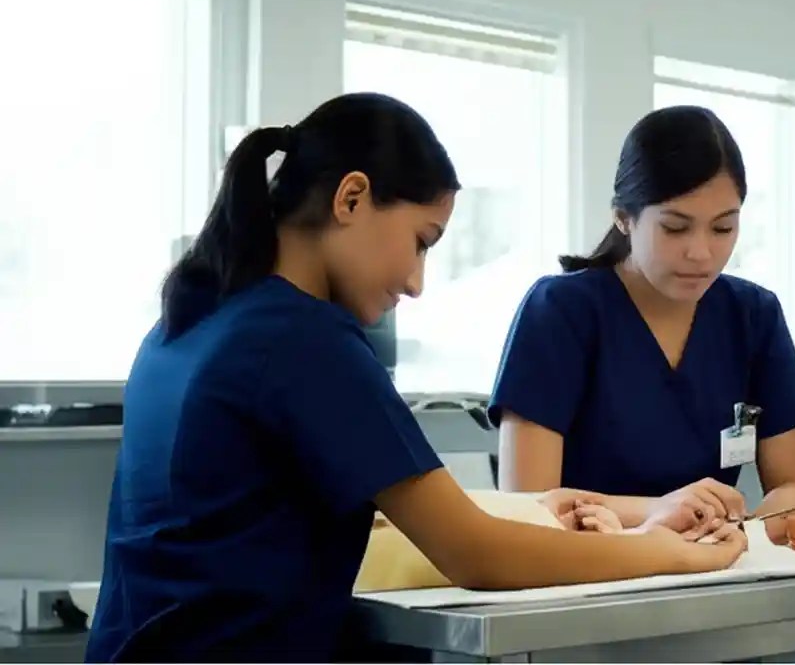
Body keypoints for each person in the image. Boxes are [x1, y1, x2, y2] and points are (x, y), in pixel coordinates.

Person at [84, 93, 746, 663]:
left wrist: (543, 514)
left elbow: (308, 517)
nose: (416, 281)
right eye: (422, 241)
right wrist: (669, 554)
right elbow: (475, 554)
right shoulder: (305, 341)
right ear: (352, 197)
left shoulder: (192, 319)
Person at [489, 105, 795, 544]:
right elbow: (527, 503)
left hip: (707, 573)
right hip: (585, 575)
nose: (701, 253)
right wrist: (666, 513)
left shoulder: (753, 315)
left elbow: (794, 488)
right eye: (675, 228)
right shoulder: (561, 310)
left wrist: (745, 538)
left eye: (723, 229)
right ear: (624, 218)